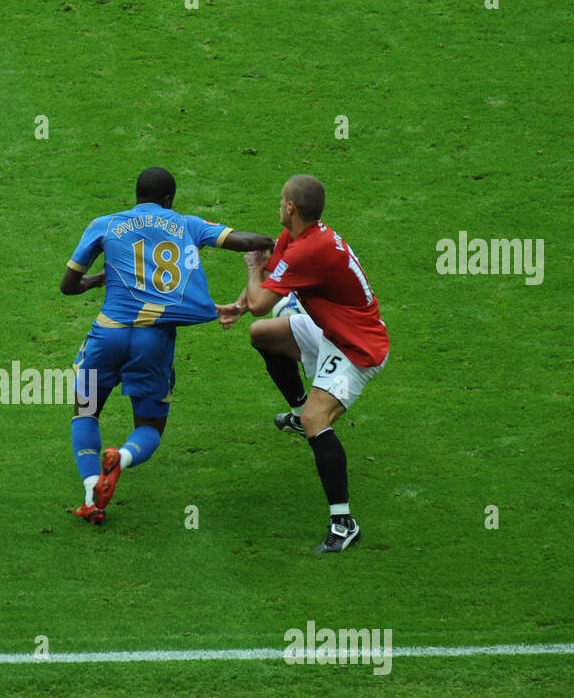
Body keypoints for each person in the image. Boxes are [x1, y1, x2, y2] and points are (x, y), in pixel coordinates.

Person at [62, 167, 273, 524]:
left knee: (85, 412)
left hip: (108, 333)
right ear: (169, 200)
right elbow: (241, 240)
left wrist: (101, 278)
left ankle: (91, 493)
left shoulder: (105, 224)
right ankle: (123, 457)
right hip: (154, 339)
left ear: (136, 195)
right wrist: (270, 241)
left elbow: (69, 285)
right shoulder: (187, 223)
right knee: (150, 426)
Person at [218, 175, 389, 552]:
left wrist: (250, 267)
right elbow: (270, 285)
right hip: (327, 329)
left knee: (318, 422)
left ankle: (344, 523)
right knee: (262, 334)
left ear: (291, 208)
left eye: (281, 200)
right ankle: (297, 413)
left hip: (356, 347)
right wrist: (239, 304)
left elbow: (262, 295)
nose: (278, 204)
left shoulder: (308, 250)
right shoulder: (295, 239)